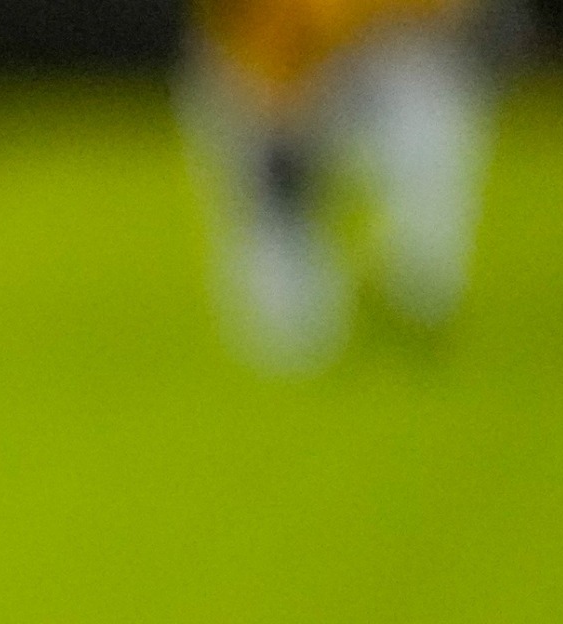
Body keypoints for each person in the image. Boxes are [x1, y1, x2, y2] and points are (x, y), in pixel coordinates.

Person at [182, 0, 493, 367]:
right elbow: (246, 42)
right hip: (265, 69)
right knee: (291, 331)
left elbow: (452, 19)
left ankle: (413, 282)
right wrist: (281, 121)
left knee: (431, 109)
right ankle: (294, 313)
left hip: (378, 58)